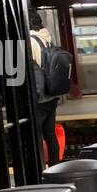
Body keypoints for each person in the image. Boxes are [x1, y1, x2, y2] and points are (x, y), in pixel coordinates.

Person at [28, 10, 60, 164]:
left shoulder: (30, 41)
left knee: (36, 137)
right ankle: (54, 167)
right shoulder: (47, 38)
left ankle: (40, 168)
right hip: (51, 95)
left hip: (39, 97)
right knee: (50, 134)